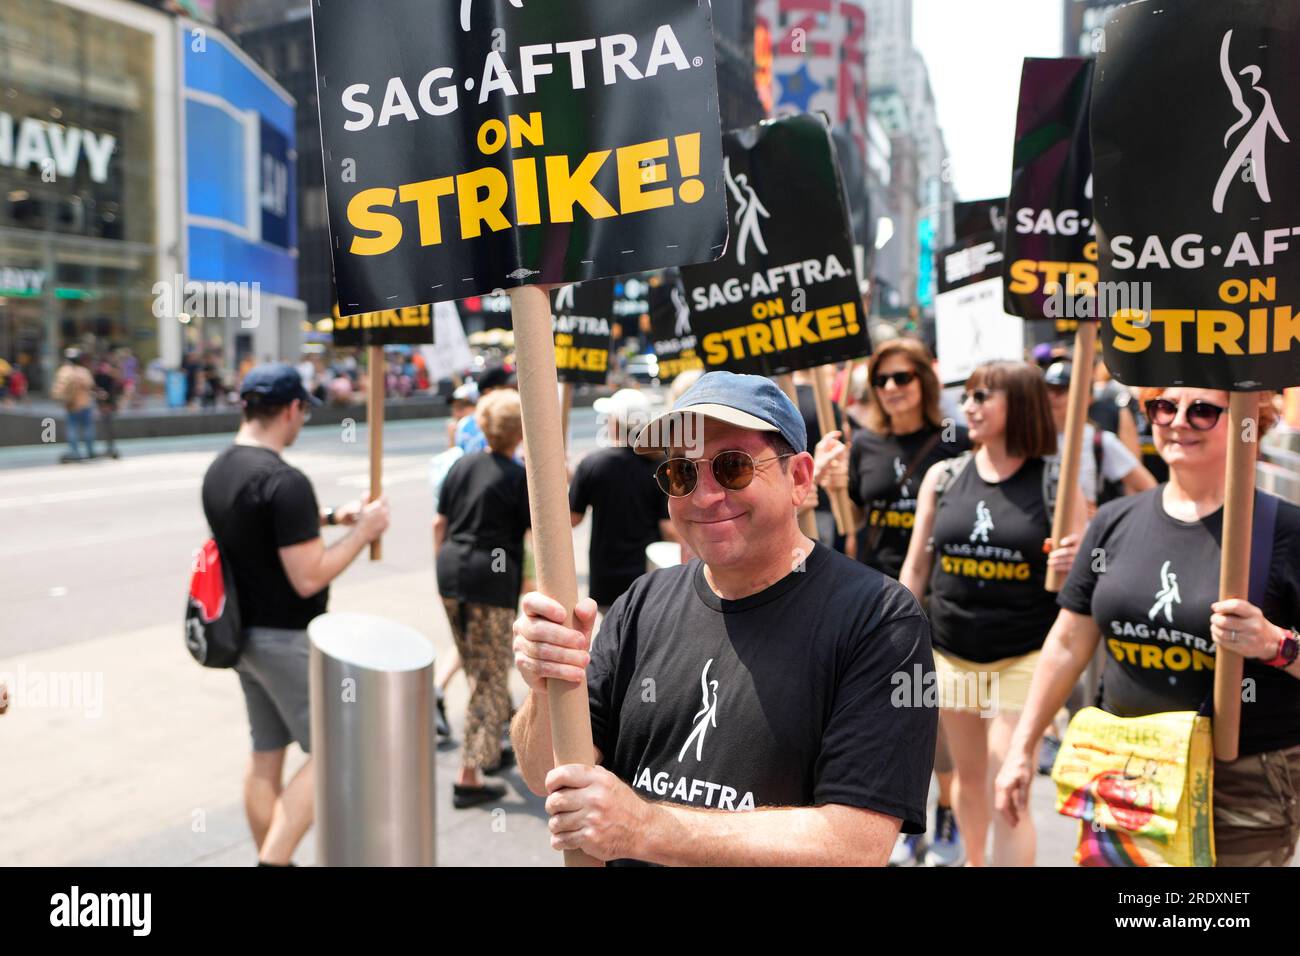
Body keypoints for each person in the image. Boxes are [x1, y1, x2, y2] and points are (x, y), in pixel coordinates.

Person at [510, 371, 937, 865]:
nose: (704, 495)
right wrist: (546, 689)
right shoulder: (642, 601)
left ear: (799, 478)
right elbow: (547, 770)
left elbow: (854, 844)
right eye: (681, 473)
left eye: (732, 468)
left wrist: (647, 828)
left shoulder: (880, 620)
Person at [996, 388, 1300, 867]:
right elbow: (1068, 642)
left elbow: (1286, 649)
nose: (1178, 421)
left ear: (1248, 422)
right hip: (1122, 768)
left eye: (1201, 411)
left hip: (1237, 782)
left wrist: (1274, 644)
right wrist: (1022, 746)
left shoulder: (1285, 529)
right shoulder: (1114, 521)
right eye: (1163, 407)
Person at [201, 362, 390, 865]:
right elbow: (309, 574)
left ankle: (270, 853)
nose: (303, 420)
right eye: (303, 410)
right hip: (285, 638)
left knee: (266, 755)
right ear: (289, 409)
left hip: (240, 636)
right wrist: (363, 532)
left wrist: (331, 517)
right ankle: (274, 860)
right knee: (338, 745)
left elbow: (259, 525)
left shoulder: (220, 469)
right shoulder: (284, 480)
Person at [900, 360, 1085, 867]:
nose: (968, 407)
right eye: (968, 396)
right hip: (951, 653)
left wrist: (1073, 561)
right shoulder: (943, 476)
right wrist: (894, 636)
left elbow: (1086, 582)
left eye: (983, 396)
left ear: (1019, 404)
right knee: (969, 777)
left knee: (1008, 781)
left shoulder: (1056, 483)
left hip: (1025, 657)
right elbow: (917, 566)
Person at [844, 337, 971, 866]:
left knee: (932, 710)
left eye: (904, 377)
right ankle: (905, 818)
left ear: (924, 380)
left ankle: (948, 810)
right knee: (886, 715)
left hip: (938, 594)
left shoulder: (954, 441)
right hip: (874, 595)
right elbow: (854, 523)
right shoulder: (865, 443)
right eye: (882, 380)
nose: (893, 388)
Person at [434, 389, 532, 808]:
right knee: (490, 676)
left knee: (479, 664)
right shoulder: (516, 476)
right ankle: (468, 775)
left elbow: (440, 523)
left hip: (452, 571)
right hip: (489, 580)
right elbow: (541, 533)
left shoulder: (462, 466)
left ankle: (493, 744)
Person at [569, 389, 675, 615]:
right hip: (649, 577)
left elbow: (571, 519)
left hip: (606, 578)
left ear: (614, 422)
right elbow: (668, 528)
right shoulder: (661, 464)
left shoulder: (592, 464)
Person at [1043, 361, 1155, 514]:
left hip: (1086, 534)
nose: (1050, 396)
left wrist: (1105, 517)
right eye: (1046, 389)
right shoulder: (1029, 437)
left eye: (1060, 390)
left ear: (1086, 397)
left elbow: (1146, 487)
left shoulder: (1098, 439)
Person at [51, 348, 96, 462]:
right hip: (85, 404)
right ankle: (90, 451)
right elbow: (91, 385)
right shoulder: (83, 371)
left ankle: (75, 452)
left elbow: (58, 388)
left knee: (72, 429)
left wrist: (58, 398)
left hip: (72, 405)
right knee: (87, 428)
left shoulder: (64, 371)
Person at [93, 355, 123, 460]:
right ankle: (109, 448)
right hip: (105, 406)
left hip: (107, 406)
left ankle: (110, 448)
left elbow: (115, 392)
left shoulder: (109, 377)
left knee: (108, 429)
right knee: (107, 429)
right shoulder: (102, 377)